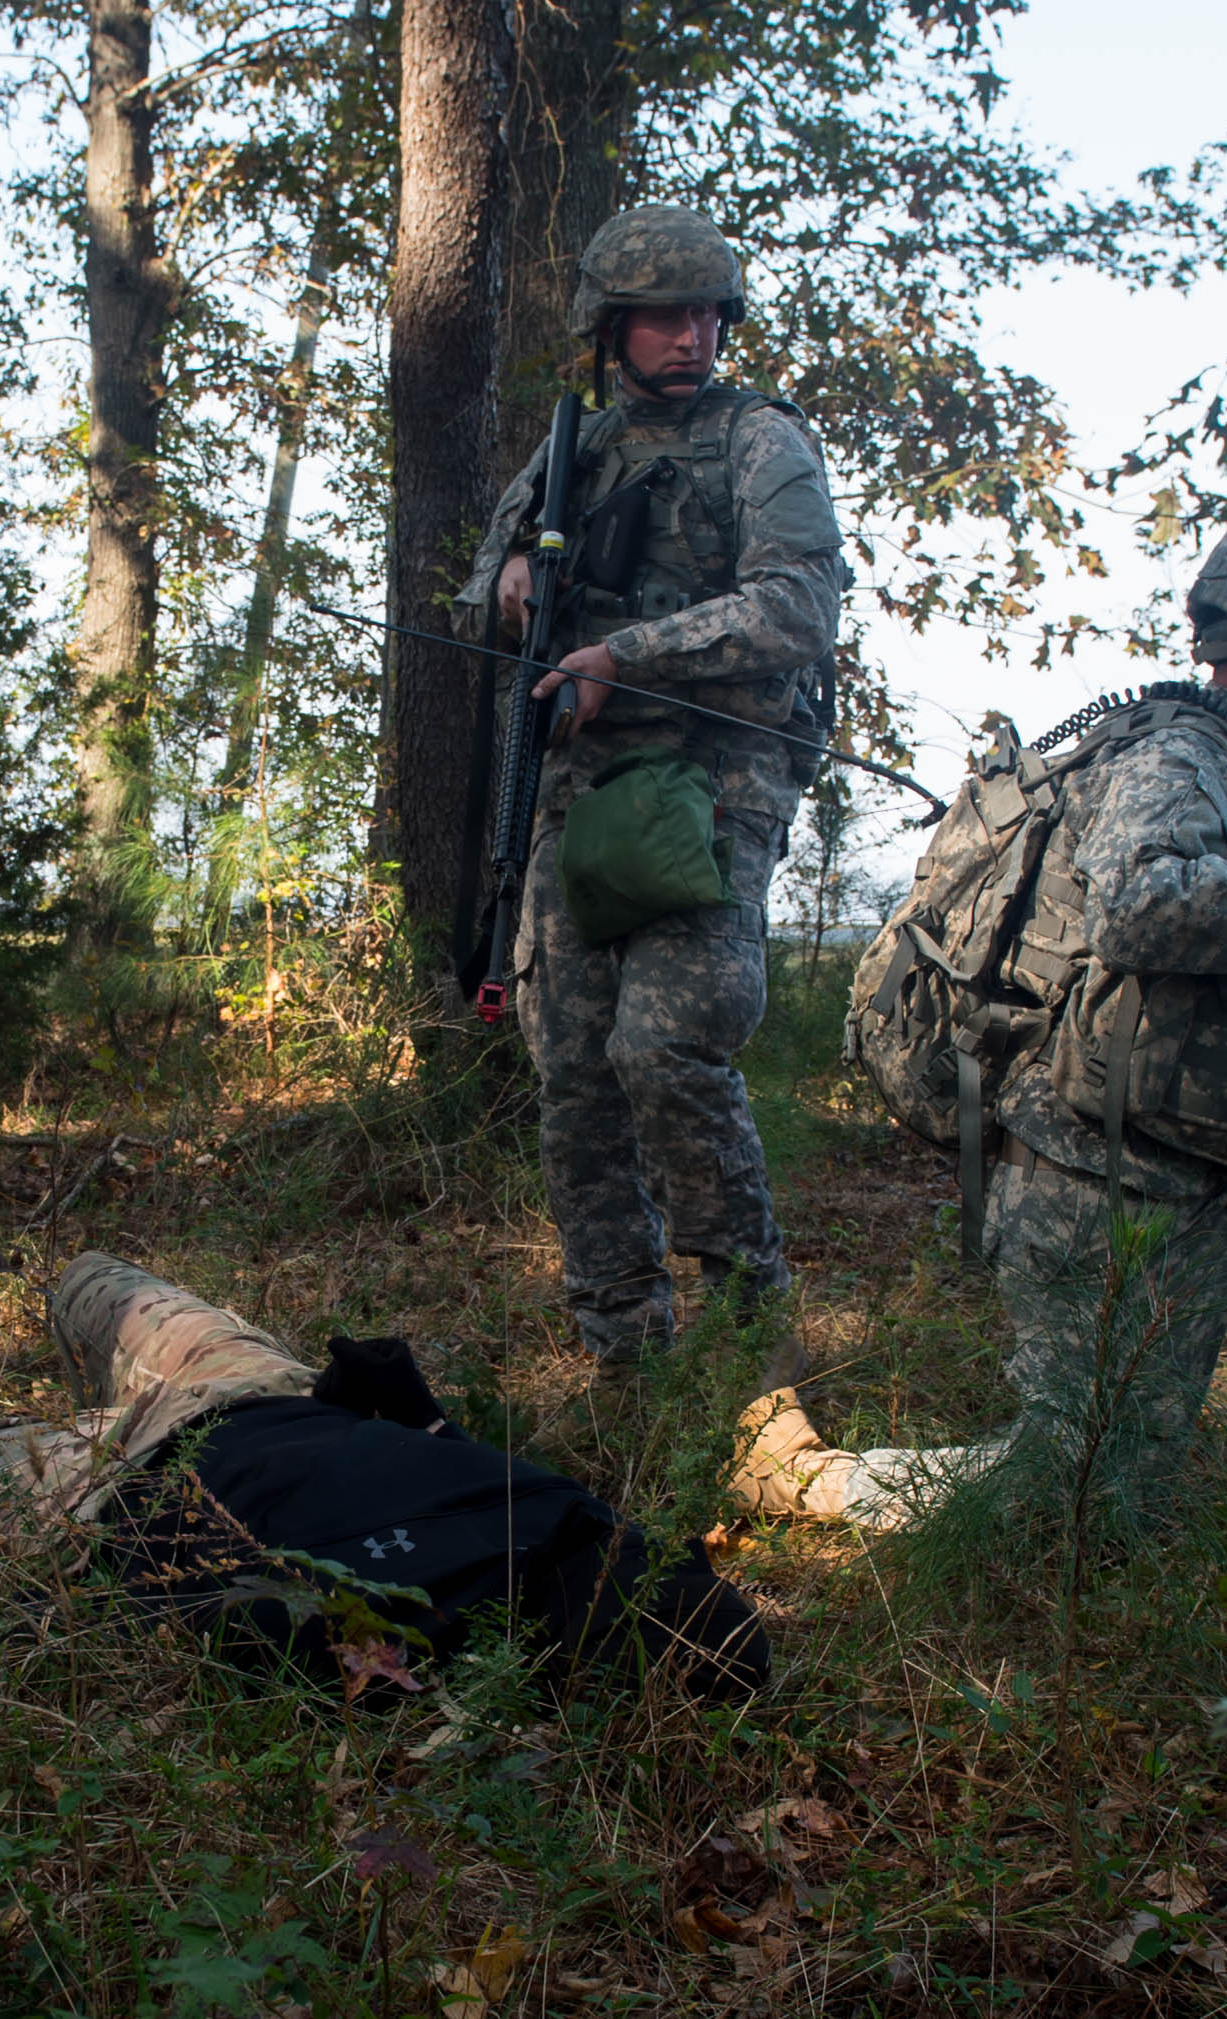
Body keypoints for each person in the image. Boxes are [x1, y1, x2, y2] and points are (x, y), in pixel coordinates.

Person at [736, 507, 1227, 1527]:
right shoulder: (1182, 755)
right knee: (1077, 1500)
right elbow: (1144, 911)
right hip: (1111, 1176)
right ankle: (805, 1482)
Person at [0, 1253, 770, 1699]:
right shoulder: (577, 1524)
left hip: (106, 1481)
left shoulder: (391, 1639)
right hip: (258, 1392)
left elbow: (101, 1627)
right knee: (91, 1281)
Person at [453, 203, 848, 1374]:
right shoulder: (569, 449)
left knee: (666, 1048)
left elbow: (798, 611)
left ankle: (748, 1356)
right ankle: (626, 1361)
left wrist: (631, 656)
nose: (691, 337)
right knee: (571, 1069)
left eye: (706, 314)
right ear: (609, 326)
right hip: (579, 788)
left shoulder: (760, 440)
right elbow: (486, 586)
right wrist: (516, 580)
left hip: (710, 783)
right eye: (664, 316)